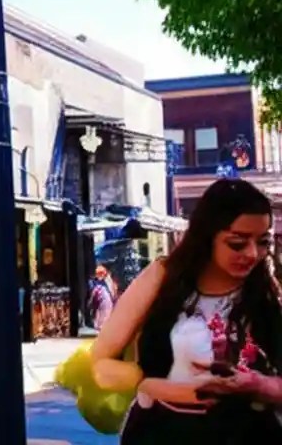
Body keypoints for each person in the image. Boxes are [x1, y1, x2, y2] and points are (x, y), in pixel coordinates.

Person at [92, 179, 282, 442]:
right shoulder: (163, 277)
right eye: (237, 244)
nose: (252, 254)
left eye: (263, 242)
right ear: (207, 237)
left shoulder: (267, 291)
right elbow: (100, 362)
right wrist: (146, 383)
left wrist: (258, 386)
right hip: (163, 432)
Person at [89, 265, 117, 331]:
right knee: (103, 313)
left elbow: (112, 291)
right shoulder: (103, 283)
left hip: (105, 300)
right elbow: (113, 292)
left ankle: (102, 327)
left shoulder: (106, 282)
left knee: (103, 313)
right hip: (104, 300)